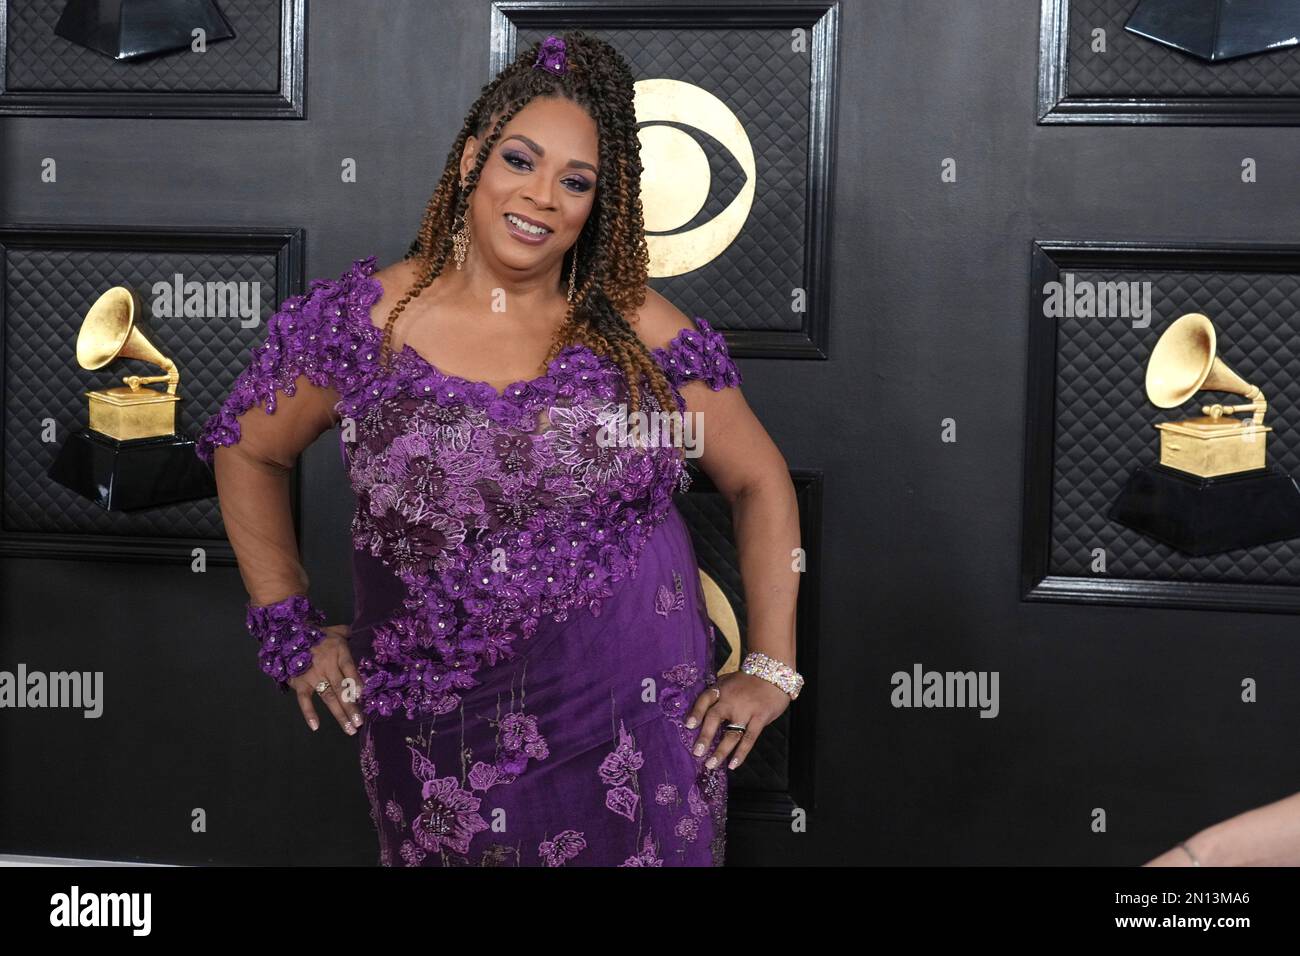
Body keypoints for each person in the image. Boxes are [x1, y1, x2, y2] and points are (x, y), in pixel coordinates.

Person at [194, 31, 803, 866]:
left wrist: (774, 664)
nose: (543, 196)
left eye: (576, 181)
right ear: (474, 158)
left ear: (601, 204)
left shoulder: (641, 330)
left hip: (637, 714)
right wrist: (288, 626)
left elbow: (761, 480)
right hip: (441, 728)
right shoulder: (364, 324)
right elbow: (248, 449)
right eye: (522, 160)